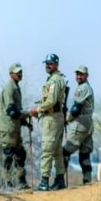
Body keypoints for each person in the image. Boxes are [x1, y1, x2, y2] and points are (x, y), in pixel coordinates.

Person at [30, 53, 67, 191]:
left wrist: (38, 109)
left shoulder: (55, 80)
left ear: (56, 64)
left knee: (47, 149)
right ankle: (59, 180)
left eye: (50, 63)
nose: (47, 65)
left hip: (52, 118)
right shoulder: (54, 78)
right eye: (46, 63)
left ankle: (44, 182)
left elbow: (51, 101)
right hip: (54, 117)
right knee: (57, 150)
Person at [0, 62, 32, 189]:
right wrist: (29, 114)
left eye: (21, 72)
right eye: (17, 72)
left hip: (15, 128)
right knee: (8, 155)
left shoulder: (16, 87)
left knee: (20, 154)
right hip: (8, 128)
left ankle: (21, 182)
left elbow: (17, 111)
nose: (20, 74)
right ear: (11, 74)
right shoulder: (9, 87)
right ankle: (5, 183)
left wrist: (26, 123)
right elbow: (11, 111)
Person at [63, 66, 95, 184]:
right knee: (84, 153)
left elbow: (76, 108)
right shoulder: (87, 87)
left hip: (80, 123)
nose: (79, 76)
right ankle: (87, 180)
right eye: (77, 74)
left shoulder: (83, 88)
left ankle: (59, 180)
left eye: (81, 74)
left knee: (65, 151)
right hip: (88, 123)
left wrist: (67, 118)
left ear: (86, 75)